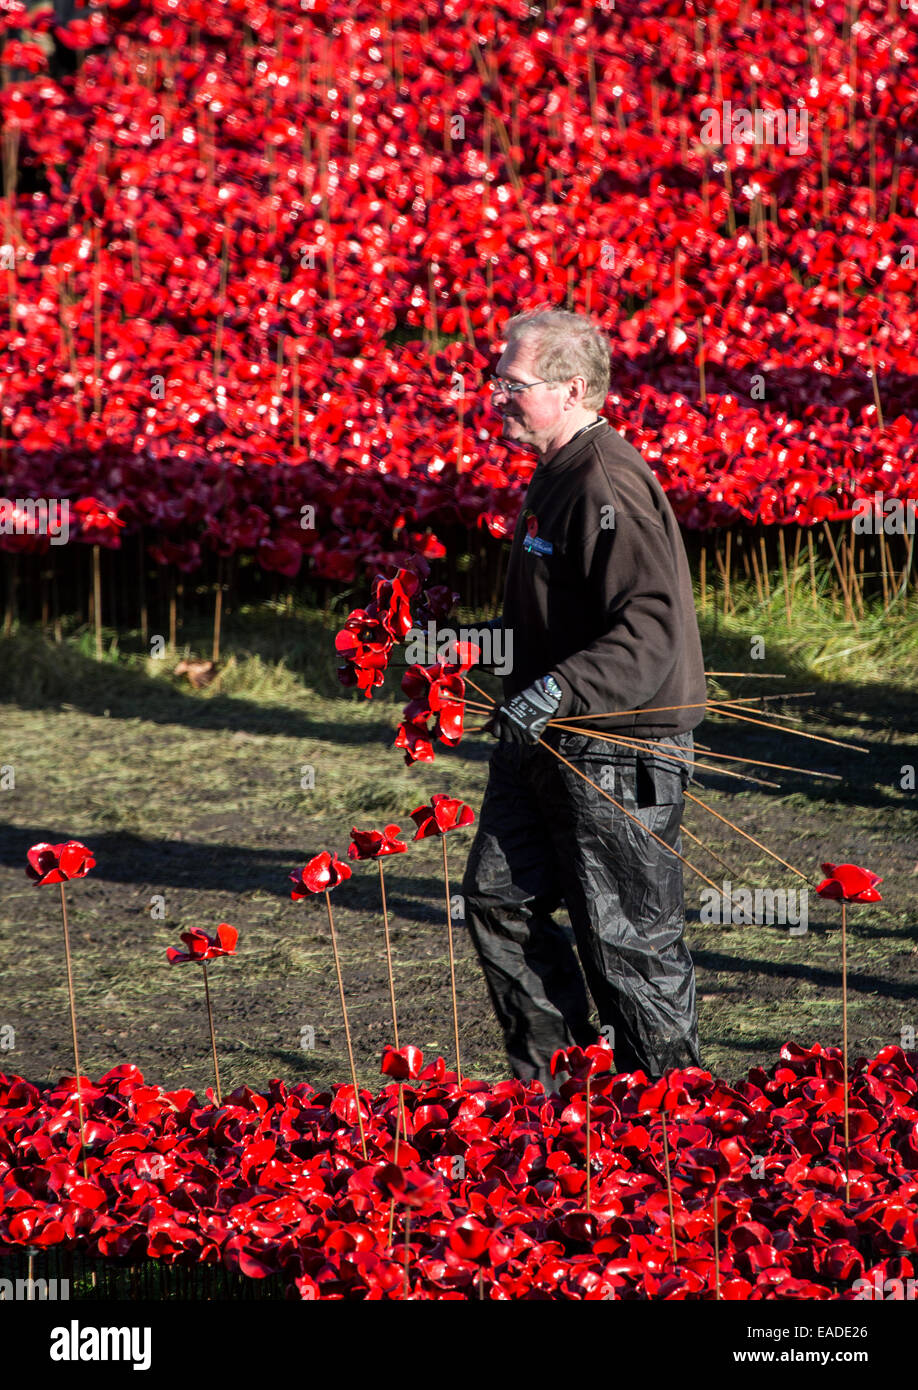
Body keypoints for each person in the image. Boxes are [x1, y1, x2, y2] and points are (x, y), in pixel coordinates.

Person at [461, 308, 707, 1088]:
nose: (497, 397)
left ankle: (672, 1120)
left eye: (513, 385)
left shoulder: (607, 481)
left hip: (615, 741)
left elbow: (651, 627)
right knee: (497, 898)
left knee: (626, 937)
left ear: (571, 389)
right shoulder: (555, 470)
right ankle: (562, 1093)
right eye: (496, 381)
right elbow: (548, 611)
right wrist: (454, 645)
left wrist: (554, 693)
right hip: (543, 735)